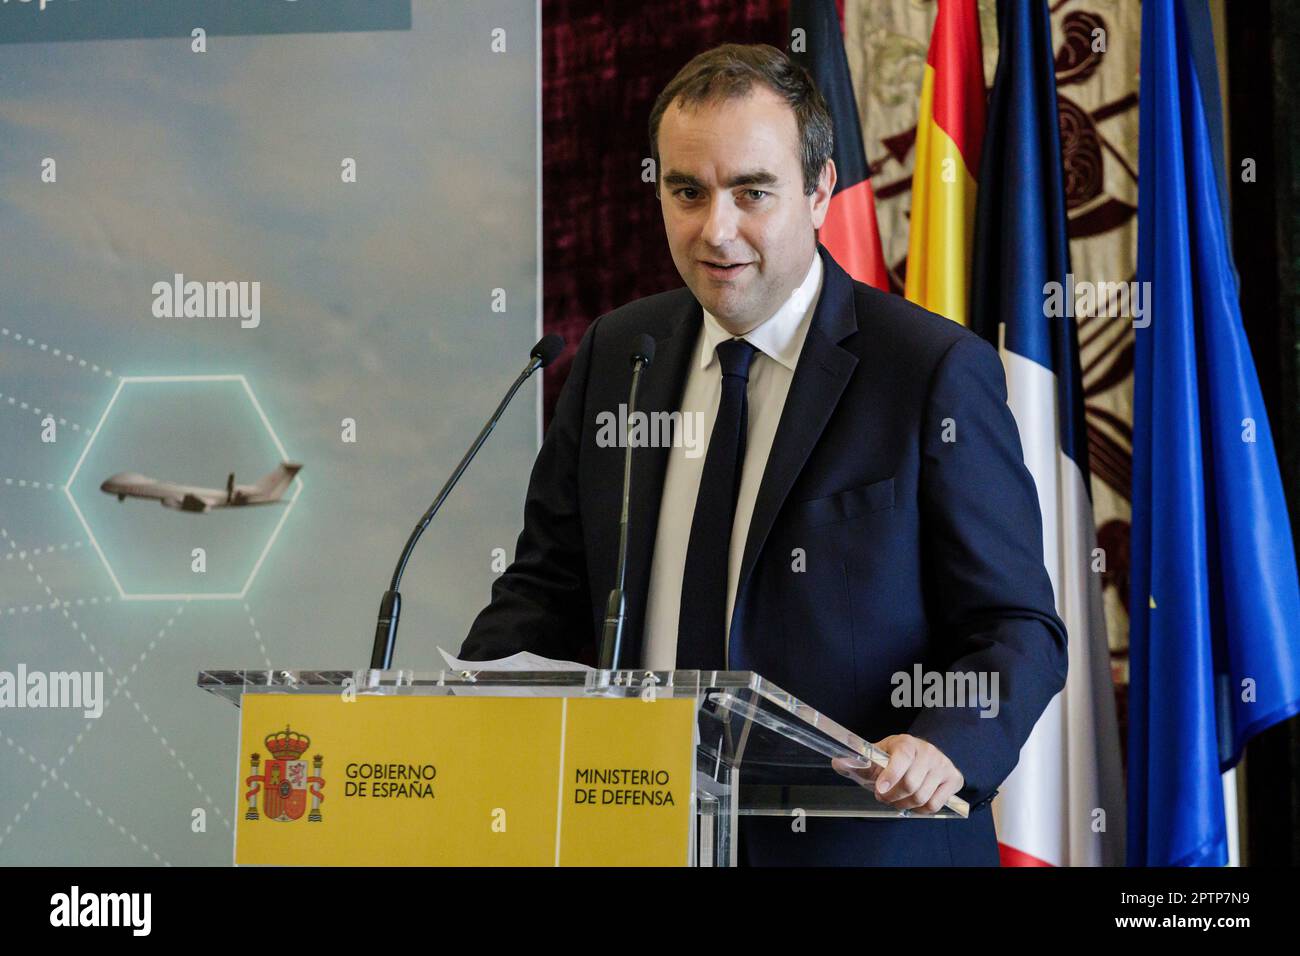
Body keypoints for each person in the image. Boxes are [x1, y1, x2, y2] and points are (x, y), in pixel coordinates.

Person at [460, 43, 1067, 866]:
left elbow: (1017, 628)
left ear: (819, 191)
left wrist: (945, 744)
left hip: (861, 848)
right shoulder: (618, 353)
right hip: (642, 837)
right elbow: (547, 587)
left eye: (752, 192)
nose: (717, 230)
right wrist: (461, 707)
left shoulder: (929, 371)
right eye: (687, 191)